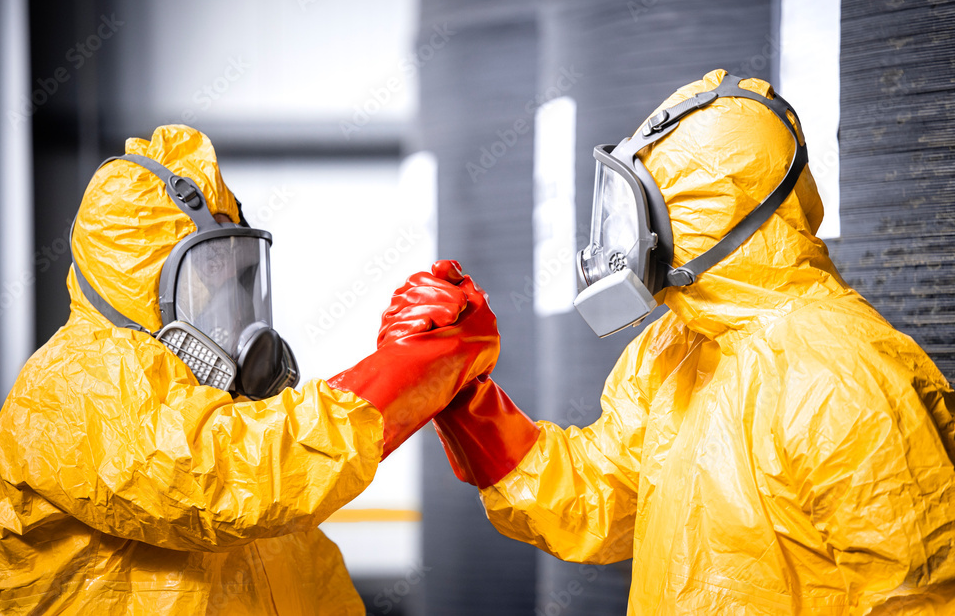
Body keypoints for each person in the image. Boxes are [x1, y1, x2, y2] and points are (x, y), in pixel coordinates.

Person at [383, 70, 955, 614]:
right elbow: (592, 501)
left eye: (639, 210)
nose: (618, 239)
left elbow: (920, 597)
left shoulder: (842, 376)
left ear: (708, 214)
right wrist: (458, 391)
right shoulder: (674, 348)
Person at [0, 124, 496, 615]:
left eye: (242, 276)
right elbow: (225, 480)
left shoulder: (219, 405)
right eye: (208, 273)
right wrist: (407, 368)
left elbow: (310, 581)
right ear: (139, 279)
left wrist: (415, 370)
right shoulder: (73, 383)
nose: (234, 307)